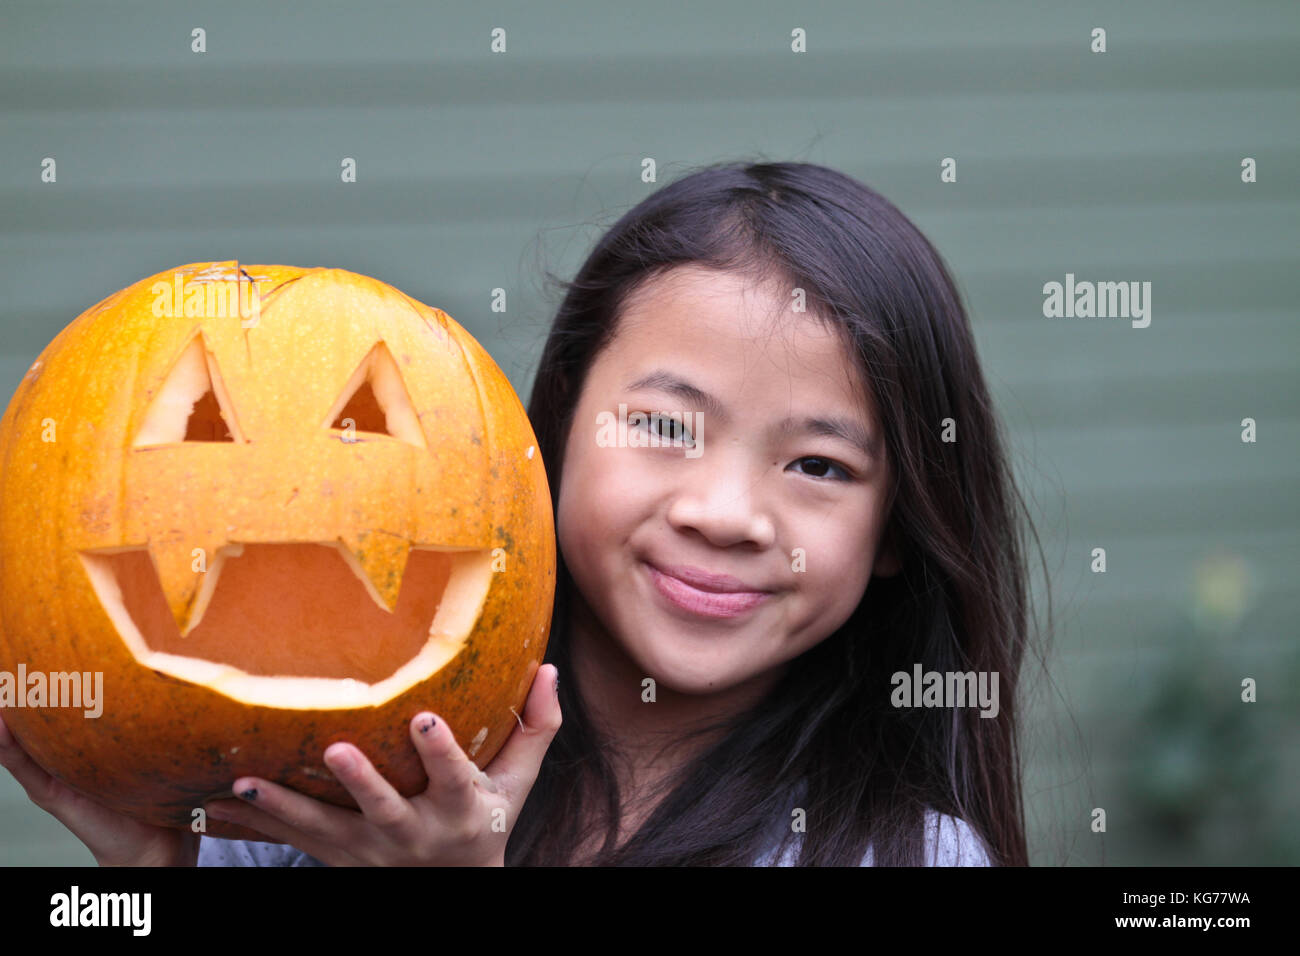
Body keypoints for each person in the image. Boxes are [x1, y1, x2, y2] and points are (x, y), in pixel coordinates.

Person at [0, 160, 1041, 866]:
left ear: (898, 526)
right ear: (540, 433)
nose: (726, 512)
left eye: (817, 463)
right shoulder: (313, 790)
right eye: (667, 428)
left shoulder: (906, 853)